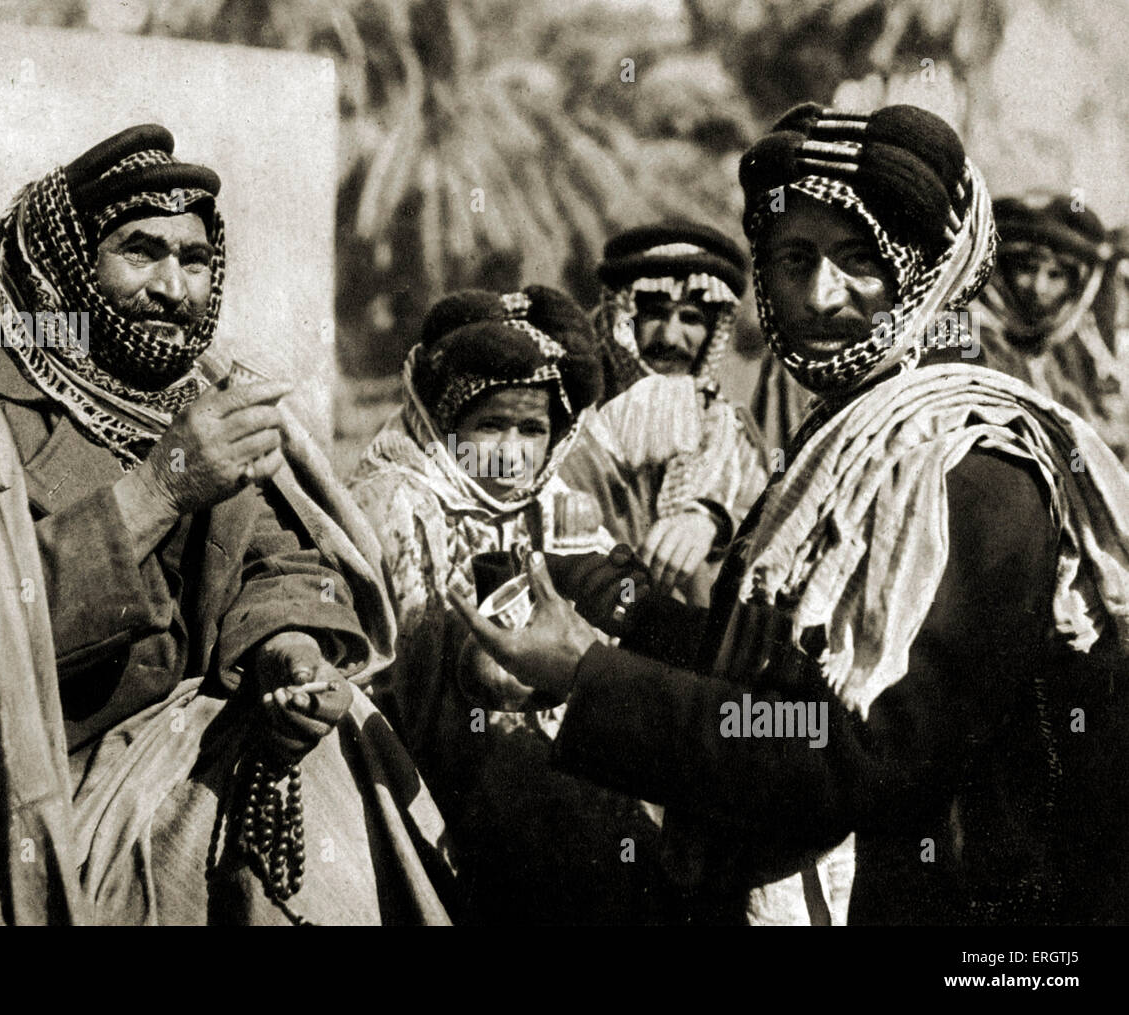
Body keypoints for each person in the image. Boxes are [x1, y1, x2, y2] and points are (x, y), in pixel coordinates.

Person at [449, 104, 1129, 925]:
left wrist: (587, 679)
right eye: (794, 259)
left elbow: (853, 750)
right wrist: (619, 612)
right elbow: (778, 672)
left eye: (860, 259)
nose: (819, 295)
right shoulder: (858, 429)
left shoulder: (970, 466)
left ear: (931, 271)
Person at [0, 124, 452, 925]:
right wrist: (160, 488)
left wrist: (288, 652)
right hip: (22, 802)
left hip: (175, 761)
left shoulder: (204, 393)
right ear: (68, 263)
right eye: (141, 252)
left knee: (345, 741)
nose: (173, 287)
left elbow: (279, 554)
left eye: (194, 259)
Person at [349, 287, 673, 924]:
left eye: (532, 429)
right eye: (490, 425)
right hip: (423, 765)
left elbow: (614, 613)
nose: (511, 451)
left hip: (546, 764)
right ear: (444, 426)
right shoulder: (393, 506)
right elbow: (395, 675)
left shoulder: (552, 503)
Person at [560, 223, 769, 608]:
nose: (670, 338)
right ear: (625, 319)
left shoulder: (728, 431)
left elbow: (762, 517)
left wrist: (710, 520)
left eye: (690, 318)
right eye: (655, 314)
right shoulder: (570, 417)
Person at [974, 191, 1129, 463]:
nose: (1039, 287)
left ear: (1075, 285)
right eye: (1026, 269)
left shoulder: (1066, 347)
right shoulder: (975, 339)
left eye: (1055, 275)